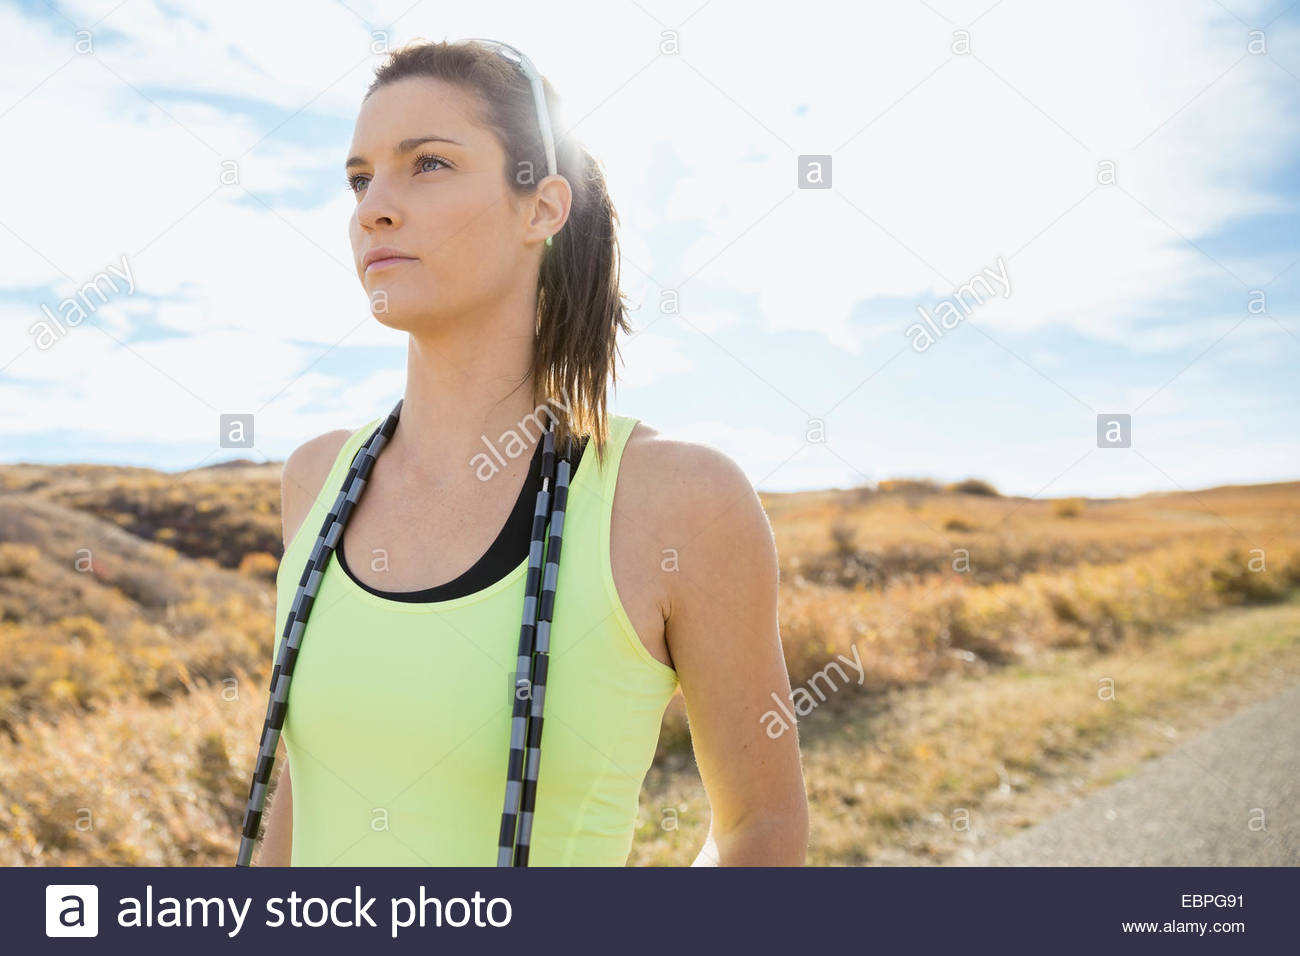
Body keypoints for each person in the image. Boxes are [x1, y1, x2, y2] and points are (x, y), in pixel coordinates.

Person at [255, 38, 807, 867]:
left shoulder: (677, 500)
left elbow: (760, 832)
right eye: (360, 177)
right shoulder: (316, 481)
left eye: (428, 164)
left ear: (542, 208)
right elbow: (295, 814)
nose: (373, 207)